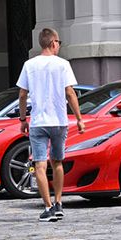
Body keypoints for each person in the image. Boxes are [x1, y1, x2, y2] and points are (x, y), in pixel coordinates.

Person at [16, 28, 85, 222]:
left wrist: (23, 119)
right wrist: (79, 118)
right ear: (53, 42)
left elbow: (22, 95)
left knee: (39, 164)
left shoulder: (29, 65)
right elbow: (70, 93)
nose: (58, 46)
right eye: (58, 43)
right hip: (59, 121)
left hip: (38, 122)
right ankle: (59, 202)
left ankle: (47, 207)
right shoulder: (63, 64)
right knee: (57, 162)